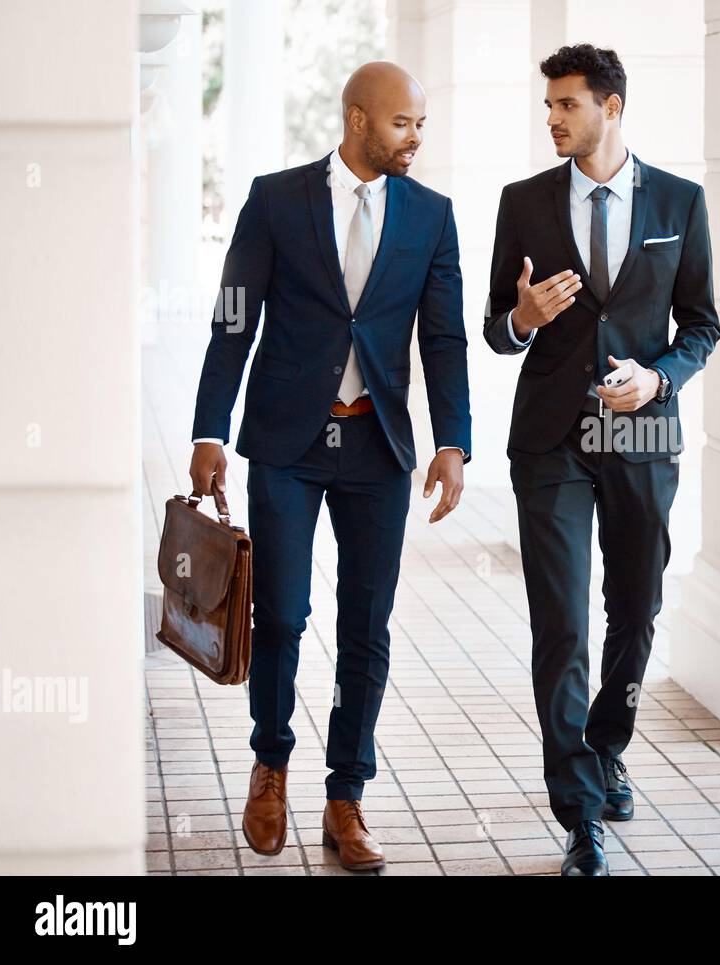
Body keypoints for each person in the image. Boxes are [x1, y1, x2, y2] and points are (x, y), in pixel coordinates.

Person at [189, 61, 471, 872]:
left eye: (421, 124)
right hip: (286, 440)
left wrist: (452, 438)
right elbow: (233, 319)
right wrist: (210, 427)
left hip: (375, 446)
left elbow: (443, 337)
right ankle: (270, 764)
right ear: (356, 119)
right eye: (403, 124)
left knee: (366, 628)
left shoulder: (431, 215)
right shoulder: (276, 199)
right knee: (279, 614)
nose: (417, 137)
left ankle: (346, 793)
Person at [483, 43, 720, 875]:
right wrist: (521, 317)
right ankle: (580, 811)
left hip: (641, 433)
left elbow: (702, 326)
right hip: (549, 438)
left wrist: (659, 377)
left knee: (638, 607)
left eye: (567, 105)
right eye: (548, 106)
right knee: (563, 624)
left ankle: (608, 745)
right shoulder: (524, 203)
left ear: (611, 107)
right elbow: (495, 328)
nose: (552, 118)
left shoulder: (680, 202)